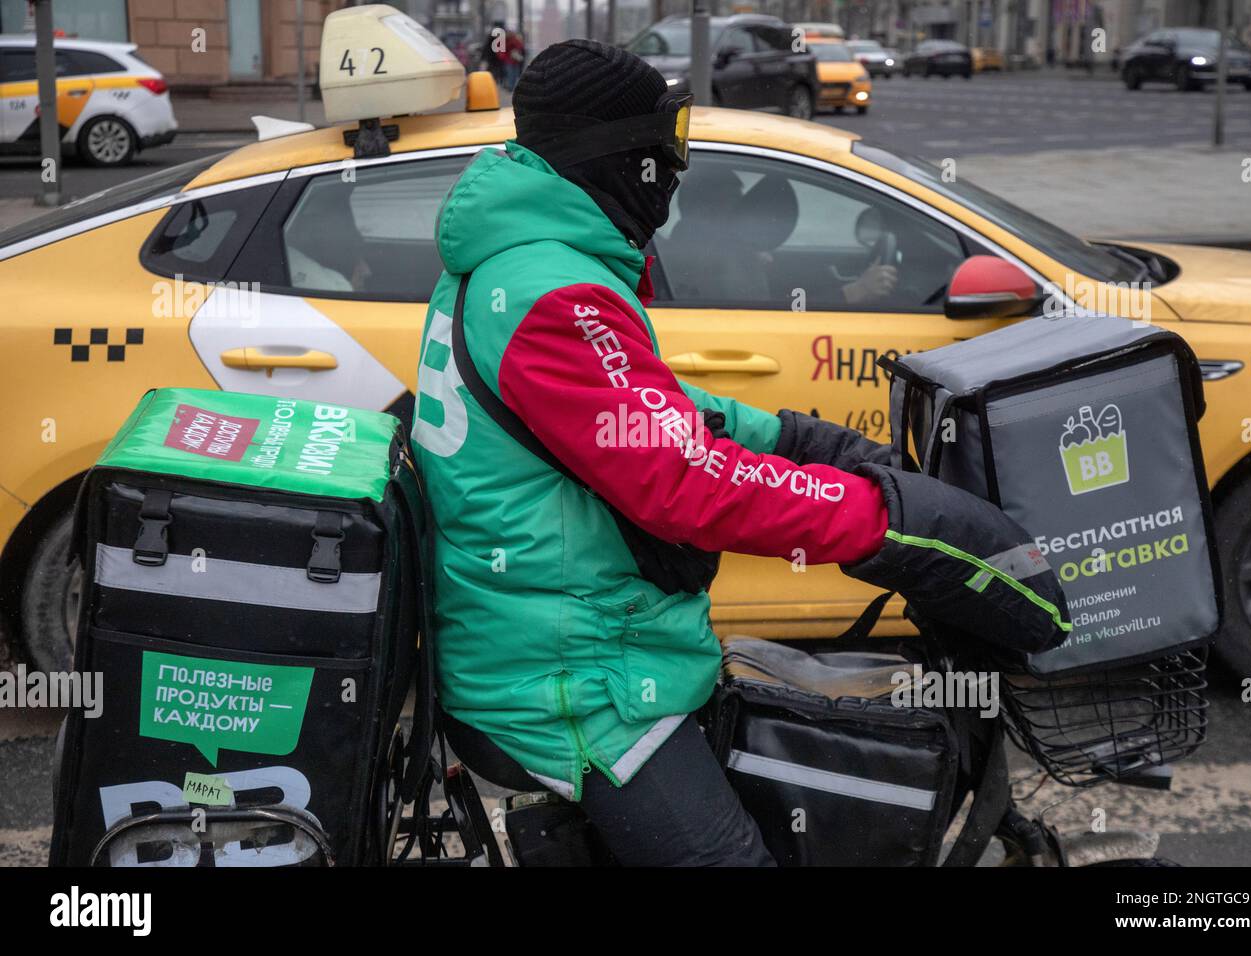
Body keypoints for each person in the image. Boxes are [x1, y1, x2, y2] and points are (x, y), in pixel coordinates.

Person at [412, 39, 1068, 866]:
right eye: (667, 141)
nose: (676, 167)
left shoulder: (521, 261)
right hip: (573, 683)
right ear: (620, 156)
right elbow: (683, 482)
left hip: (568, 642)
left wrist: (799, 440)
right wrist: (886, 526)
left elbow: (651, 418)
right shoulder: (555, 294)